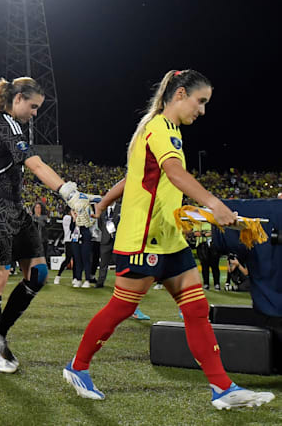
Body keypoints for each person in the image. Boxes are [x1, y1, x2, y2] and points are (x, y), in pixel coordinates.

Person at [62, 69, 274, 409]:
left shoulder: (167, 130)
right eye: (200, 101)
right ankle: (77, 367)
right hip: (144, 238)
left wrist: (102, 203)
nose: (202, 110)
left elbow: (135, 177)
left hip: (169, 238)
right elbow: (175, 174)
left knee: (197, 309)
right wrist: (214, 204)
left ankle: (222, 389)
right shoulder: (159, 128)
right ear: (179, 94)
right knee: (121, 307)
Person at [0, 76, 94, 373]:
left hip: (14, 210)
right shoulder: (7, 125)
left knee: (38, 273)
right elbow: (36, 164)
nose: (35, 113)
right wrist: (67, 192)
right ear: (17, 100)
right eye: (33, 106)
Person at [54, 210, 74, 285]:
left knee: (76, 260)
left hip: (75, 240)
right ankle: (58, 275)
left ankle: (75, 278)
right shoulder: (67, 217)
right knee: (68, 259)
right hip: (68, 240)